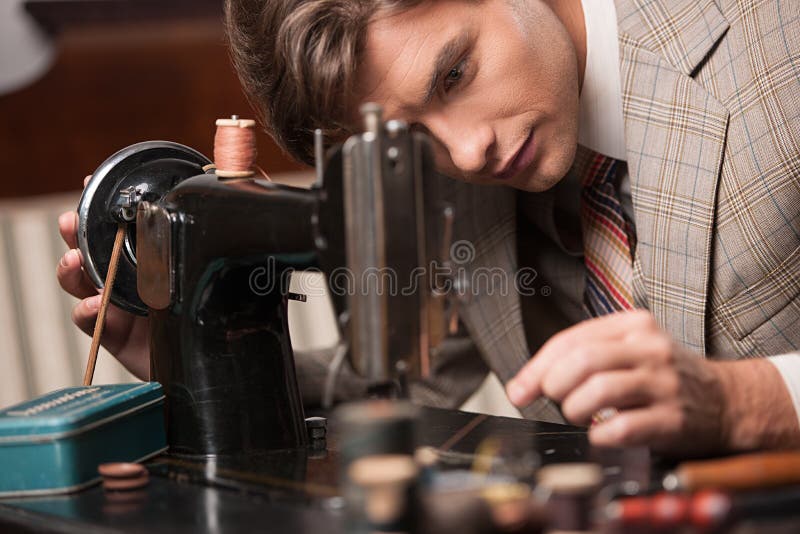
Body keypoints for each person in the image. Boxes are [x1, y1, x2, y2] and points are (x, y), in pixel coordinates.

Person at [57, 0, 800, 456]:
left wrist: (743, 403)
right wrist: (188, 364)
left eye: (453, 75)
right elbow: (388, 381)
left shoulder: (778, 46)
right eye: (415, 139)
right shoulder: (452, 183)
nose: (470, 151)